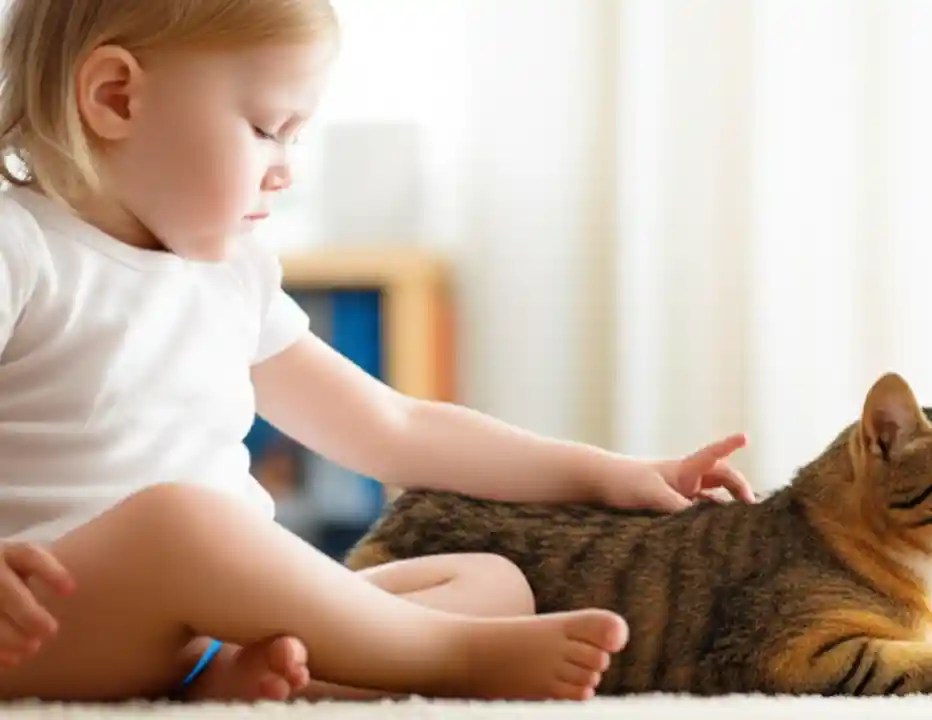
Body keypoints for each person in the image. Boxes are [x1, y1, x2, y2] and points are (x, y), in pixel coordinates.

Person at [0, 0, 752, 703]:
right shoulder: (22, 249)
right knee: (181, 523)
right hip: (40, 625)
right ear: (116, 98)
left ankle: (246, 683)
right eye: (267, 127)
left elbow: (394, 429)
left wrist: (611, 475)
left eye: (296, 136)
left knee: (488, 580)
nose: (287, 166)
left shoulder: (231, 276)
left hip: (196, 633)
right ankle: (447, 660)